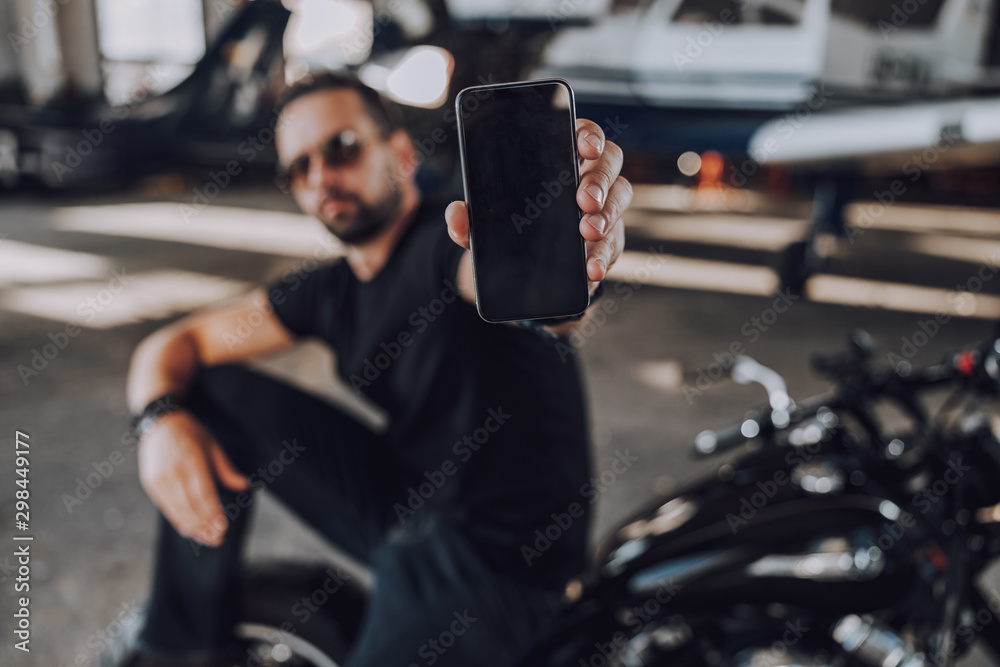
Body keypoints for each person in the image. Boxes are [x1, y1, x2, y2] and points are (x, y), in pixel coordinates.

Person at [113, 71, 630, 667]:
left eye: (342, 147)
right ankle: (176, 651)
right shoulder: (330, 292)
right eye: (298, 168)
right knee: (202, 391)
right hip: (408, 504)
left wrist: (571, 258)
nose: (321, 176)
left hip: (496, 565)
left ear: (402, 154)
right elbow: (175, 345)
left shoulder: (449, 244)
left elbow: (515, 296)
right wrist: (158, 423)